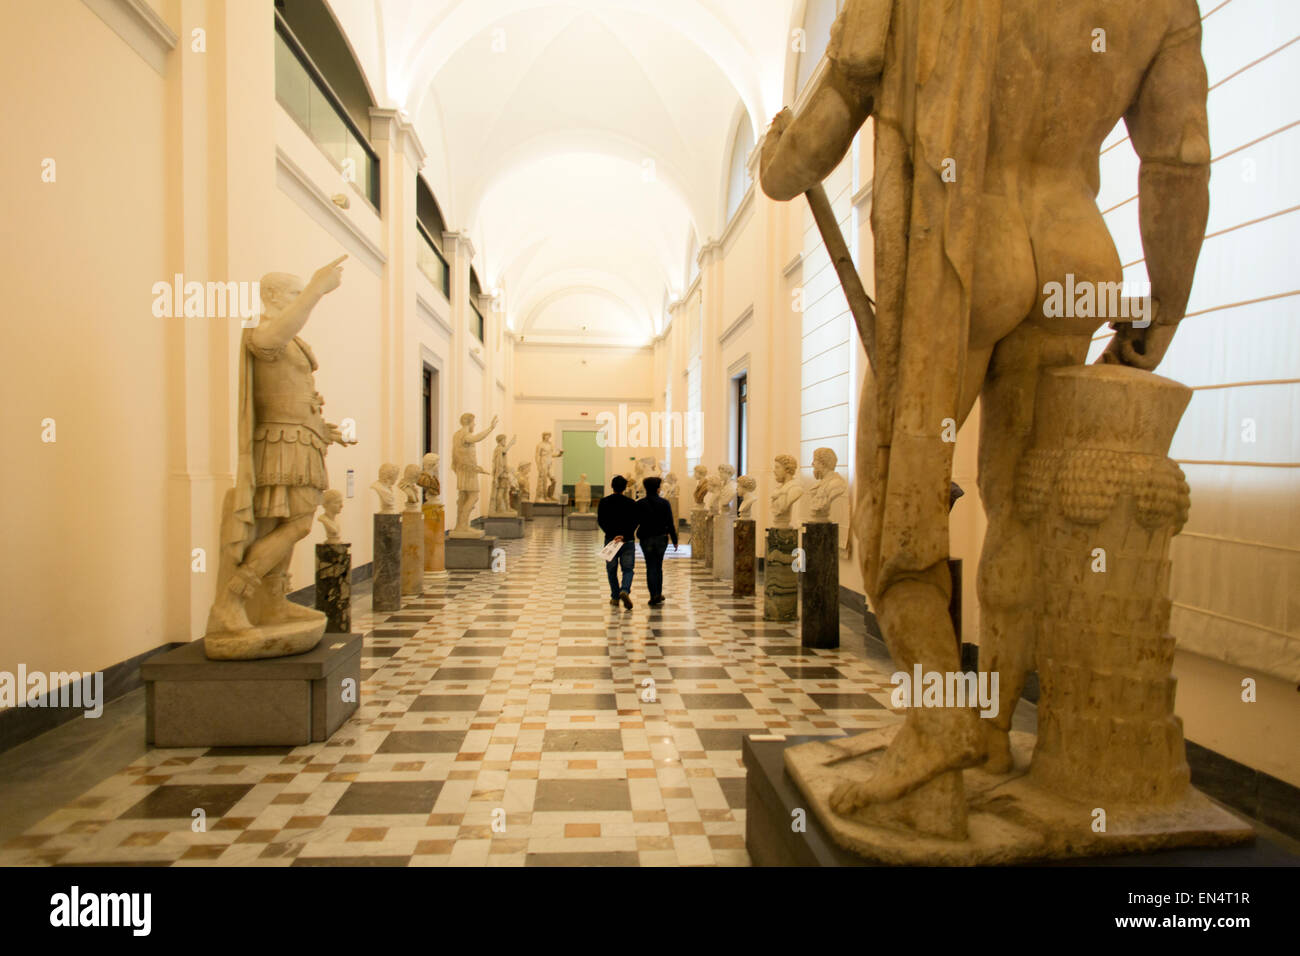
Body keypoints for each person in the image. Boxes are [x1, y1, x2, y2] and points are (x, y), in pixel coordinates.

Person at [597, 474, 639, 609]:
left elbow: (601, 520)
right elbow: (635, 521)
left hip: (611, 540)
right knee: (628, 569)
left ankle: (615, 597)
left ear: (612, 486)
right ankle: (625, 590)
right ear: (625, 487)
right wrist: (624, 536)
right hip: (628, 541)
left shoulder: (604, 502)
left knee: (611, 569)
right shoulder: (631, 503)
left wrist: (613, 534)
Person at [635, 476, 677, 607]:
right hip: (661, 538)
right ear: (658, 489)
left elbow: (634, 522)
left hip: (646, 538)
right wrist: (675, 540)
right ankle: (658, 593)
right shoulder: (664, 503)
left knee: (650, 566)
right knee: (658, 566)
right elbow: (670, 523)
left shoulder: (640, 503)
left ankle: (653, 594)